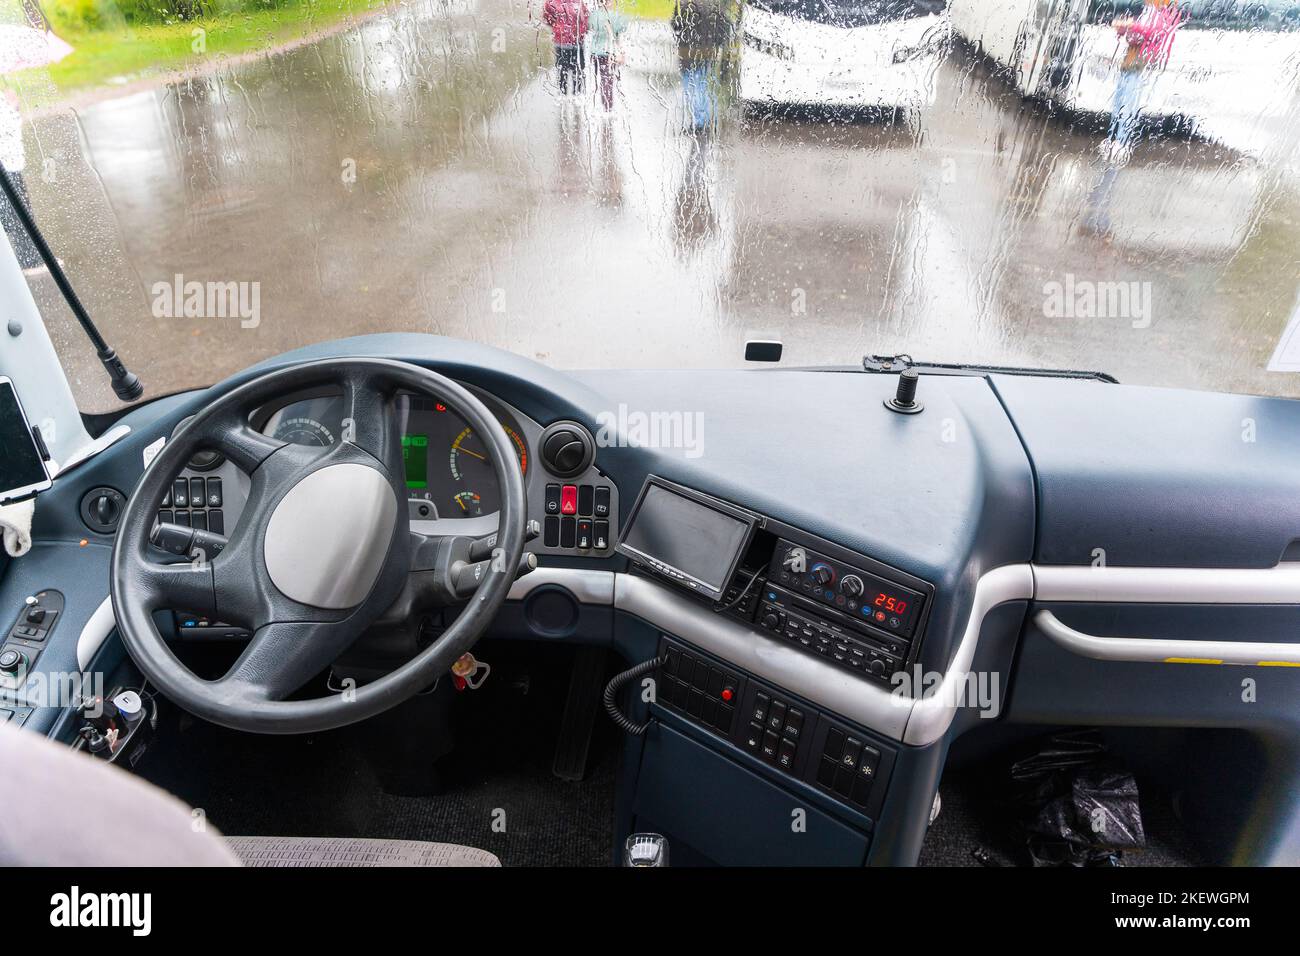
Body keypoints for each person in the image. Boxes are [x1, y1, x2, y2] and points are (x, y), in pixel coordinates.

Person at [1104, 0, 1185, 163]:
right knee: (1119, 100)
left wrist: (1131, 25)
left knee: (1129, 103)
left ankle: (1122, 143)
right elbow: (1134, 34)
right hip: (1131, 57)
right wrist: (1123, 30)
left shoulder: (1163, 14)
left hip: (1142, 61)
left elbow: (1153, 33)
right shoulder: (1147, 12)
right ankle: (1112, 139)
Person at [671, 0, 729, 133]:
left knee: (693, 88)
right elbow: (724, 29)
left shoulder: (684, 6)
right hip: (707, 54)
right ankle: (709, 120)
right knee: (703, 86)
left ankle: (700, 123)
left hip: (688, 55)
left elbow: (675, 25)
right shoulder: (714, 6)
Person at [544, 0, 591, 97]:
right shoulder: (552, 2)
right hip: (561, 43)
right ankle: (563, 96)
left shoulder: (579, 2)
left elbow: (585, 17)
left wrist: (581, 31)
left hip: (577, 44)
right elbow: (547, 16)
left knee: (578, 71)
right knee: (562, 71)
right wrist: (558, 28)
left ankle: (577, 96)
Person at [588, 0, 627, 112]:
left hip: (595, 52)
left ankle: (604, 103)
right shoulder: (617, 15)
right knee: (608, 79)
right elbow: (619, 37)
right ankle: (608, 106)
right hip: (611, 52)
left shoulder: (595, 14)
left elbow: (590, 29)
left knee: (600, 78)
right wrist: (622, 53)